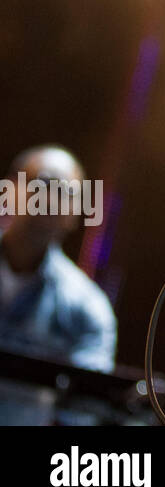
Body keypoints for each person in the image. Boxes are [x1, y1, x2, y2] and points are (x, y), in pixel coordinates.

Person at [0, 145, 117, 373]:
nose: (52, 199)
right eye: (43, 183)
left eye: (67, 192)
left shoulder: (87, 309)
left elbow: (83, 403)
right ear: (9, 189)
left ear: (76, 213)